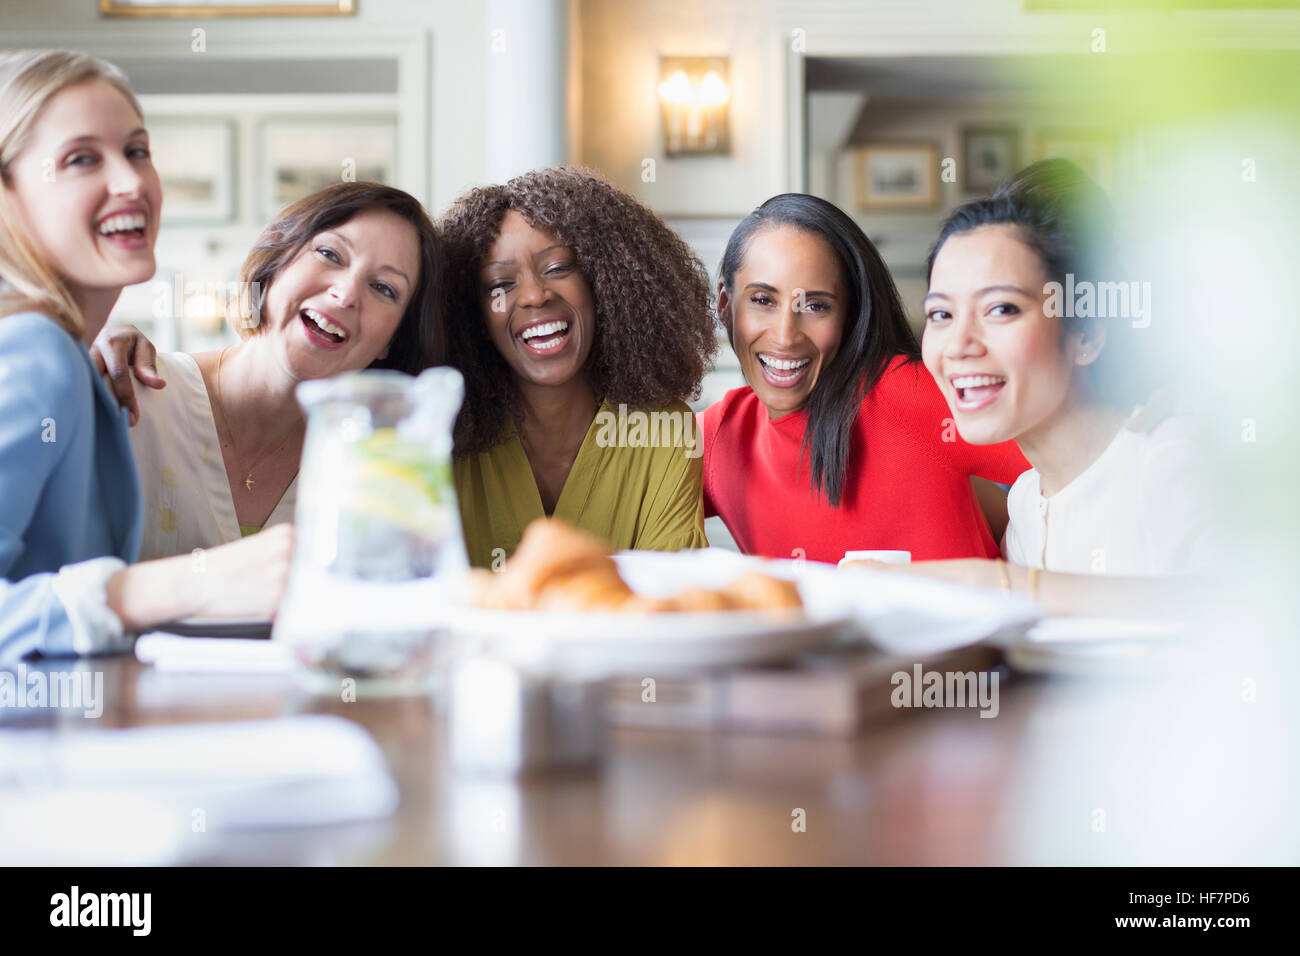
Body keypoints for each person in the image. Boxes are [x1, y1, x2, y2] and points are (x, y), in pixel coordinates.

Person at [0, 50, 290, 663]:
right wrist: (185, 582)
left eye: (137, 151)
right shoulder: (37, 352)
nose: (131, 181)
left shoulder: (70, 355)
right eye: (82, 159)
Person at [883, 159, 1213, 614]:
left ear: (1088, 334)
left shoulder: (1172, 462)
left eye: (1001, 309)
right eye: (941, 314)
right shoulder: (1025, 506)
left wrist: (991, 583)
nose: (958, 344)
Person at [95, 182, 443, 558]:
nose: (346, 294)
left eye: (384, 288)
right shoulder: (131, 396)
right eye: (329, 254)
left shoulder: (370, 469)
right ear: (276, 262)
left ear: (392, 340)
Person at [700, 193, 1028, 565]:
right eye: (762, 300)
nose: (785, 335)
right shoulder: (718, 435)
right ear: (726, 304)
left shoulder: (906, 393)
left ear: (848, 317)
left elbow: (1085, 459)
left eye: (815, 306)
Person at [439, 167, 716, 567]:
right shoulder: (444, 436)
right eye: (500, 284)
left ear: (605, 281)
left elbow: (668, 600)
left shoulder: (661, 429)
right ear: (471, 312)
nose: (534, 295)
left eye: (557, 268)